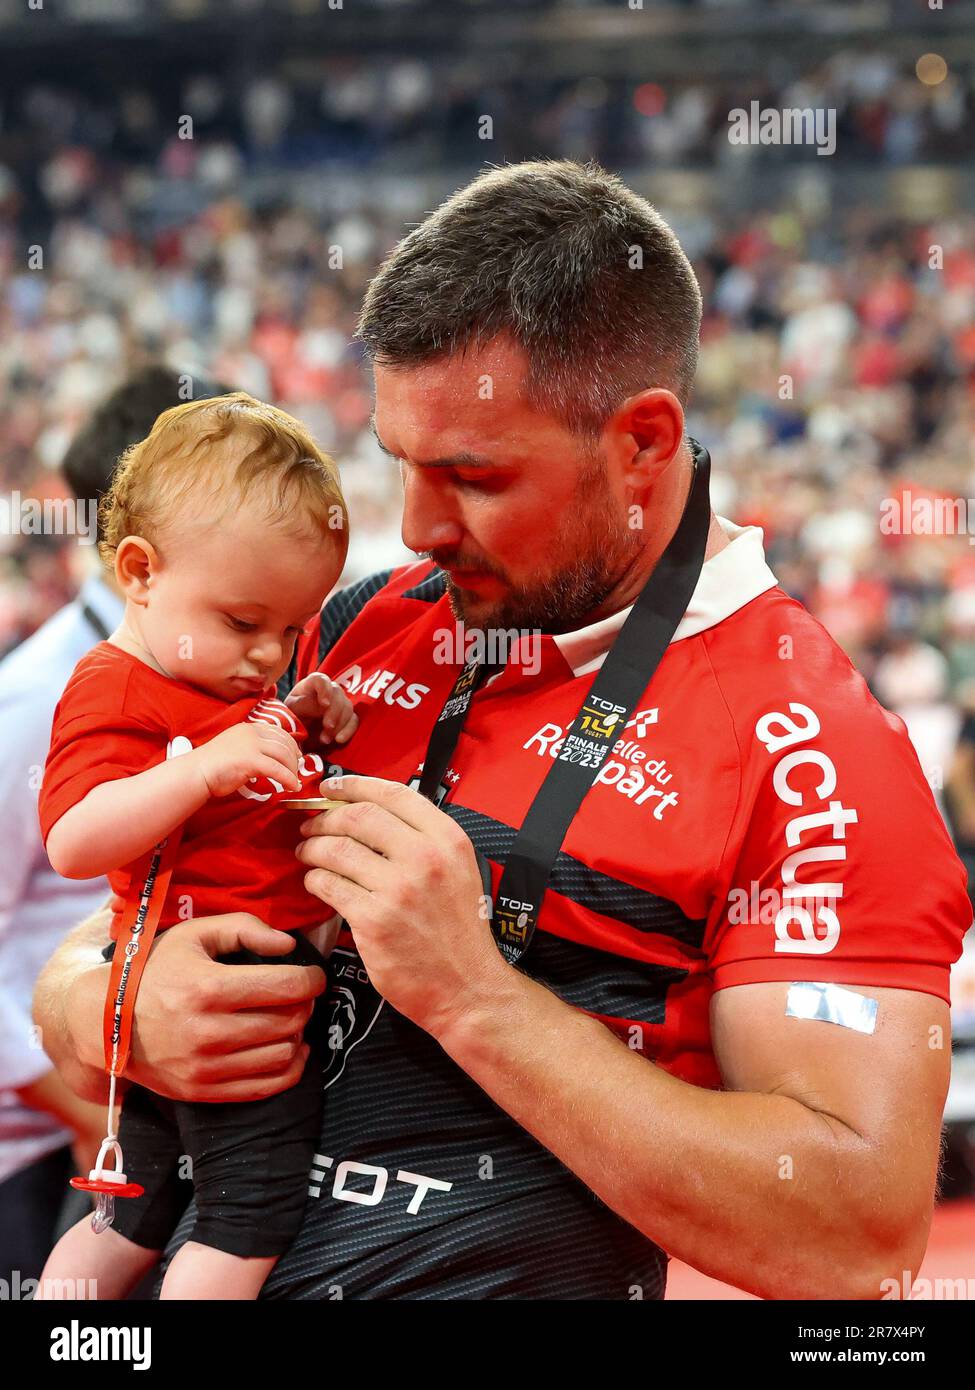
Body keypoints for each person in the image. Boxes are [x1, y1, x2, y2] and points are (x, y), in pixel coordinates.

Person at [35, 160, 973, 1301]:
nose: (419, 525)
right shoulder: (354, 625)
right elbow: (96, 932)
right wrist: (120, 1002)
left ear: (641, 440)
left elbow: (856, 1240)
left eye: (472, 475)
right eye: (400, 465)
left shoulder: (813, 748)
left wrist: (476, 999)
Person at [35, 392, 356, 1300]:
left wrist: (302, 715)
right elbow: (74, 838)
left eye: (292, 631)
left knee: (130, 1211)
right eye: (244, 623)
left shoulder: (214, 680)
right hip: (226, 984)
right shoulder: (116, 685)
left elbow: (257, 772)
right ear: (139, 570)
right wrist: (202, 771)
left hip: (209, 980)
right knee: (244, 1220)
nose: (268, 654)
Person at [0, 366, 228, 1287]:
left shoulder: (229, 671)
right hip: (41, 1144)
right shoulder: (31, 699)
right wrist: (89, 1119)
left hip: (152, 1105)